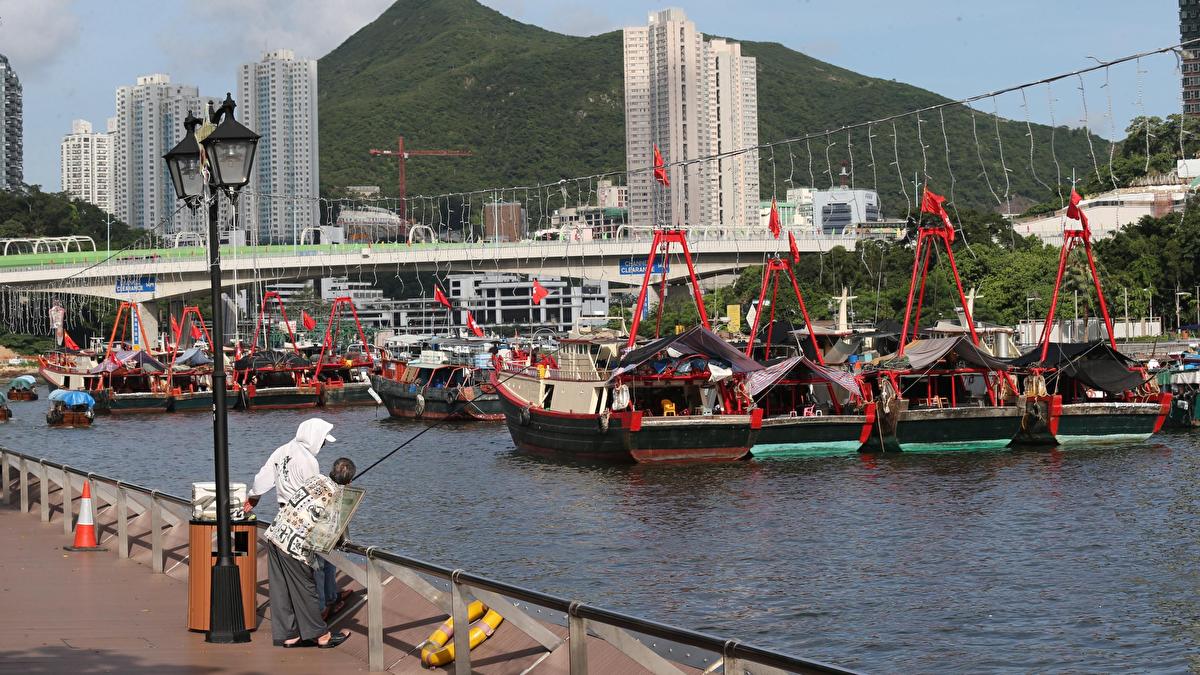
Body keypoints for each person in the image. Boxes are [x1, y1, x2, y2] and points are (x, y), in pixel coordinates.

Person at [245, 418, 349, 649]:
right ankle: (320, 630)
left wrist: (254, 495)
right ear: (314, 437)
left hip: (279, 525)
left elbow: (263, 476)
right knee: (310, 579)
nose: (322, 446)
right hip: (301, 526)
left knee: (280, 587)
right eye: (322, 441)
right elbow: (318, 498)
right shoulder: (309, 461)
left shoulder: (282, 450)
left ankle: (288, 634)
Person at [316, 457, 356, 620]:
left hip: (317, 534)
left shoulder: (320, 483)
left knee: (326, 568)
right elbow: (342, 520)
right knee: (322, 569)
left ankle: (330, 597)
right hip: (323, 539)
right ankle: (324, 607)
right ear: (349, 480)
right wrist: (346, 540)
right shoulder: (340, 494)